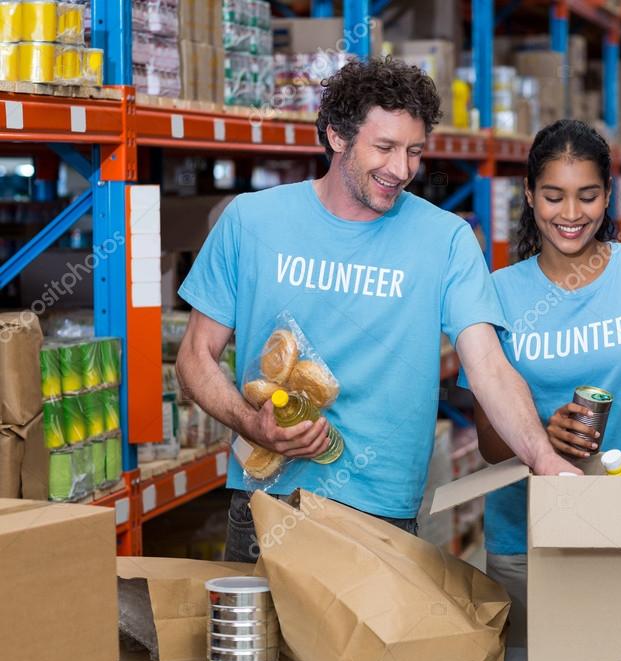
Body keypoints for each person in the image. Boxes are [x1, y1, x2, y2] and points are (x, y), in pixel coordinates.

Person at [175, 57, 580, 563]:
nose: (402, 170)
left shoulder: (445, 239)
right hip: (267, 503)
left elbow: (490, 368)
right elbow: (193, 359)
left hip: (382, 514)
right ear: (336, 137)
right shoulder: (251, 221)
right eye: (384, 148)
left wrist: (543, 457)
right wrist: (251, 424)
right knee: (262, 643)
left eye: (414, 151)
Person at [458, 119, 621, 646]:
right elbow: (487, 443)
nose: (571, 215)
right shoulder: (497, 292)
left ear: (608, 194)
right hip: (530, 538)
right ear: (528, 195)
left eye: (587, 196)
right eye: (553, 196)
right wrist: (541, 437)